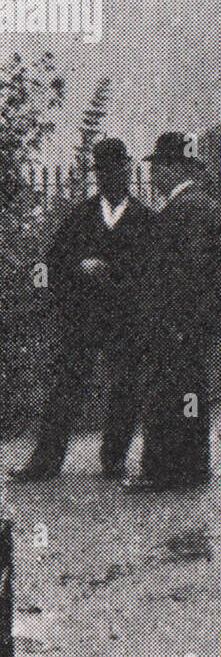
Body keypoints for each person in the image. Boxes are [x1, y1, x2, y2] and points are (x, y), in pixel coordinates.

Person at [9, 139, 152, 481]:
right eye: (102, 172)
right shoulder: (81, 216)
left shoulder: (145, 220)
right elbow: (49, 265)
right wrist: (77, 269)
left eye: (117, 170)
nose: (110, 178)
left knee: (125, 387)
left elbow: (152, 272)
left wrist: (114, 274)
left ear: (128, 170)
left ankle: (113, 458)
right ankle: (45, 462)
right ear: (97, 175)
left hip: (124, 321)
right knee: (66, 387)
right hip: (83, 320)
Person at [126, 133, 221, 491]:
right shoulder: (202, 205)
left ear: (173, 169)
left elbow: (188, 271)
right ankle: (192, 466)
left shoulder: (184, 210)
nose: (153, 175)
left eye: (157, 167)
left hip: (175, 326)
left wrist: (176, 323)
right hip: (190, 326)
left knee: (165, 396)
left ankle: (159, 471)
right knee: (190, 396)